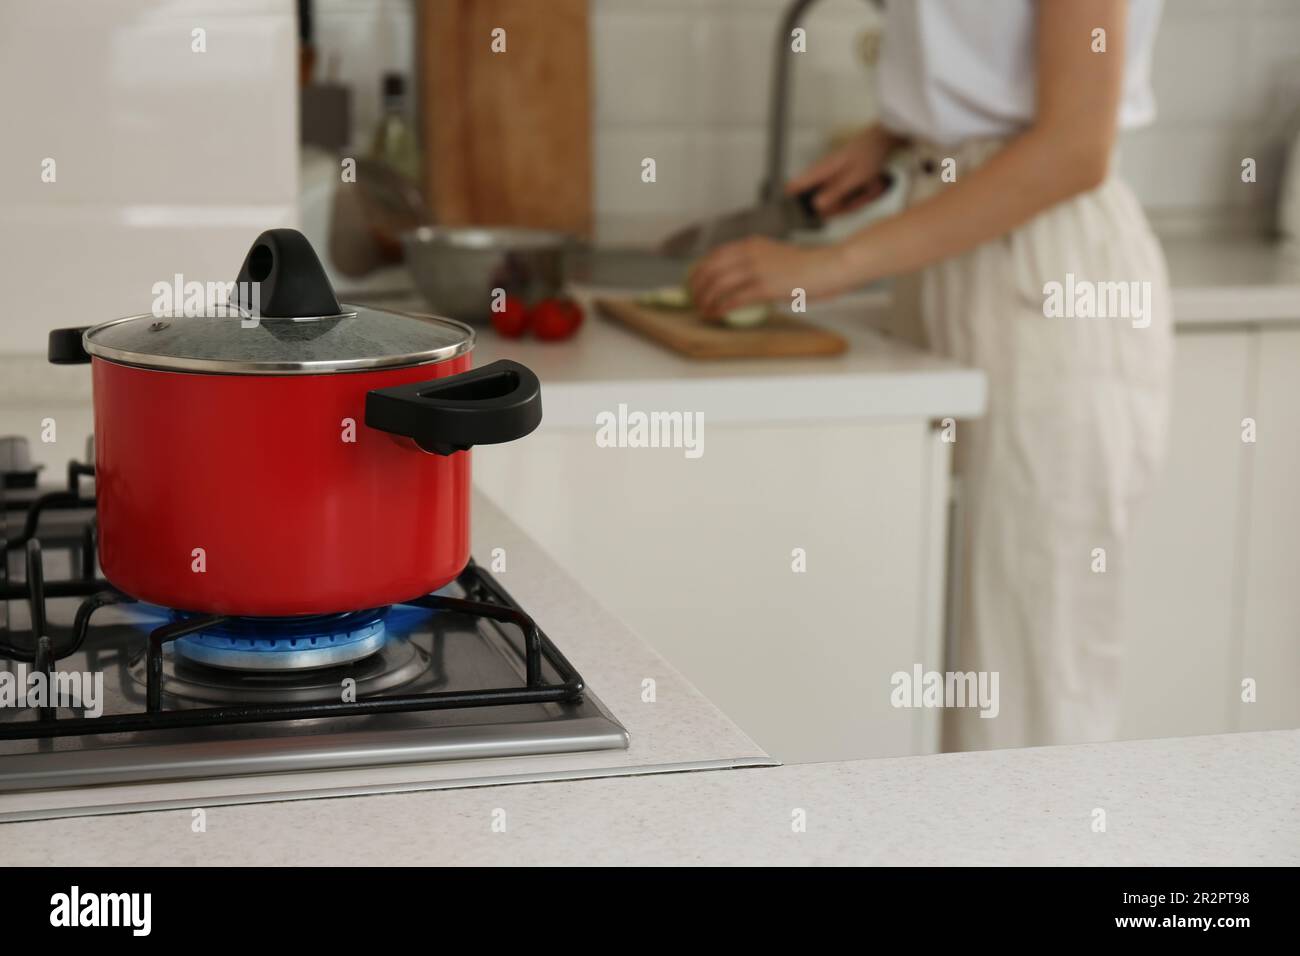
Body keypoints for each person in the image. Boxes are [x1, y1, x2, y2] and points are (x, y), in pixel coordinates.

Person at [690, 0, 1171, 750]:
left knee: (1026, 672)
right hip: (951, 233)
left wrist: (832, 264)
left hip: (1046, 267)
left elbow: (1076, 145)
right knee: (928, 640)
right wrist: (896, 135)